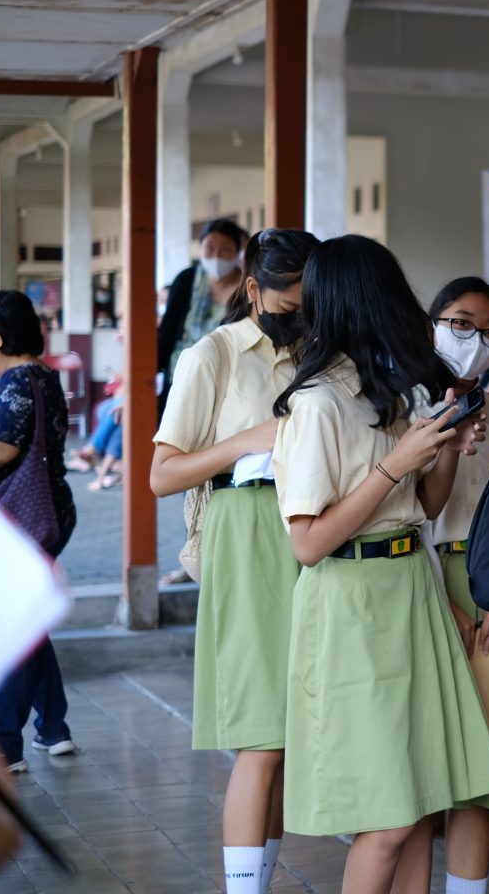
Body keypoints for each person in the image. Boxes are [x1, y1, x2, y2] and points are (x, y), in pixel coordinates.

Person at [271, 235, 489, 893]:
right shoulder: (317, 403)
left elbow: (424, 507)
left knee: (416, 803)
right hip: (352, 601)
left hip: (409, 589)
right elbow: (309, 544)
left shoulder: (385, 395)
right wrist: (392, 466)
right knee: (385, 818)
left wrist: (450, 446)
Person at [150, 228, 319, 894]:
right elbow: (164, 474)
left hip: (314, 525)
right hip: (247, 528)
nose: (301, 315)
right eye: (290, 302)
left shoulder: (319, 351)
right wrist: (247, 440)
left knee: (289, 733)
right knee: (261, 734)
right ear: (253, 291)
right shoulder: (212, 356)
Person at [422, 277, 489, 894]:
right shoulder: (400, 410)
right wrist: (441, 605)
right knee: (421, 766)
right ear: (432, 323)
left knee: (480, 771)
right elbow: (404, 518)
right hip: (418, 579)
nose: (477, 341)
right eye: (461, 323)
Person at [0, 290, 79, 774]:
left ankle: (5, 743)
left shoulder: (14, 381)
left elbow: (2, 450)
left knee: (16, 621)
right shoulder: (43, 375)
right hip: (48, 507)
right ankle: (53, 727)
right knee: (28, 616)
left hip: (22, 514)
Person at [159, 218, 248, 410]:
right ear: (200, 248)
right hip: (179, 379)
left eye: (225, 249)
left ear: (237, 251)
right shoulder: (187, 280)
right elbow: (168, 330)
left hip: (226, 386)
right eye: (209, 248)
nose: (216, 255)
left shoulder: (247, 287)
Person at [67, 374, 125, 491]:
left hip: (135, 402)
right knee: (106, 409)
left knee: (116, 416)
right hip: (124, 400)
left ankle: (93, 452)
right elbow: (122, 385)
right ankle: (94, 453)